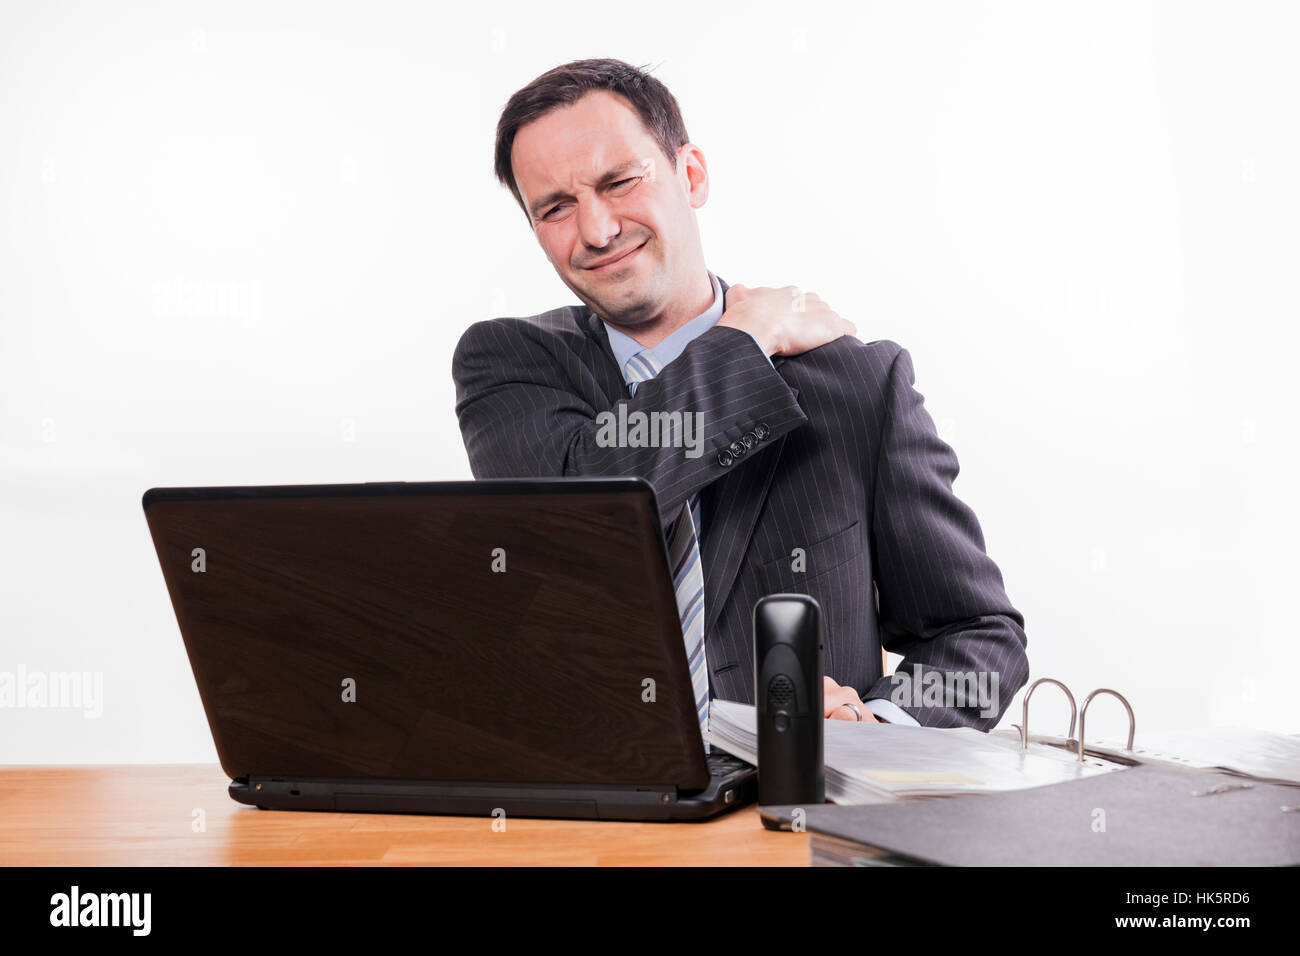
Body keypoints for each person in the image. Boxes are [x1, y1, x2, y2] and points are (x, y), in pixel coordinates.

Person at [452, 58, 1028, 730]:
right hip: (597, 814)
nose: (597, 230)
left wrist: (879, 728)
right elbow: (584, 507)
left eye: (620, 182)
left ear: (690, 175)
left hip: (793, 815)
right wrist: (745, 337)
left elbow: (981, 639)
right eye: (556, 207)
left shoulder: (858, 386)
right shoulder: (510, 362)